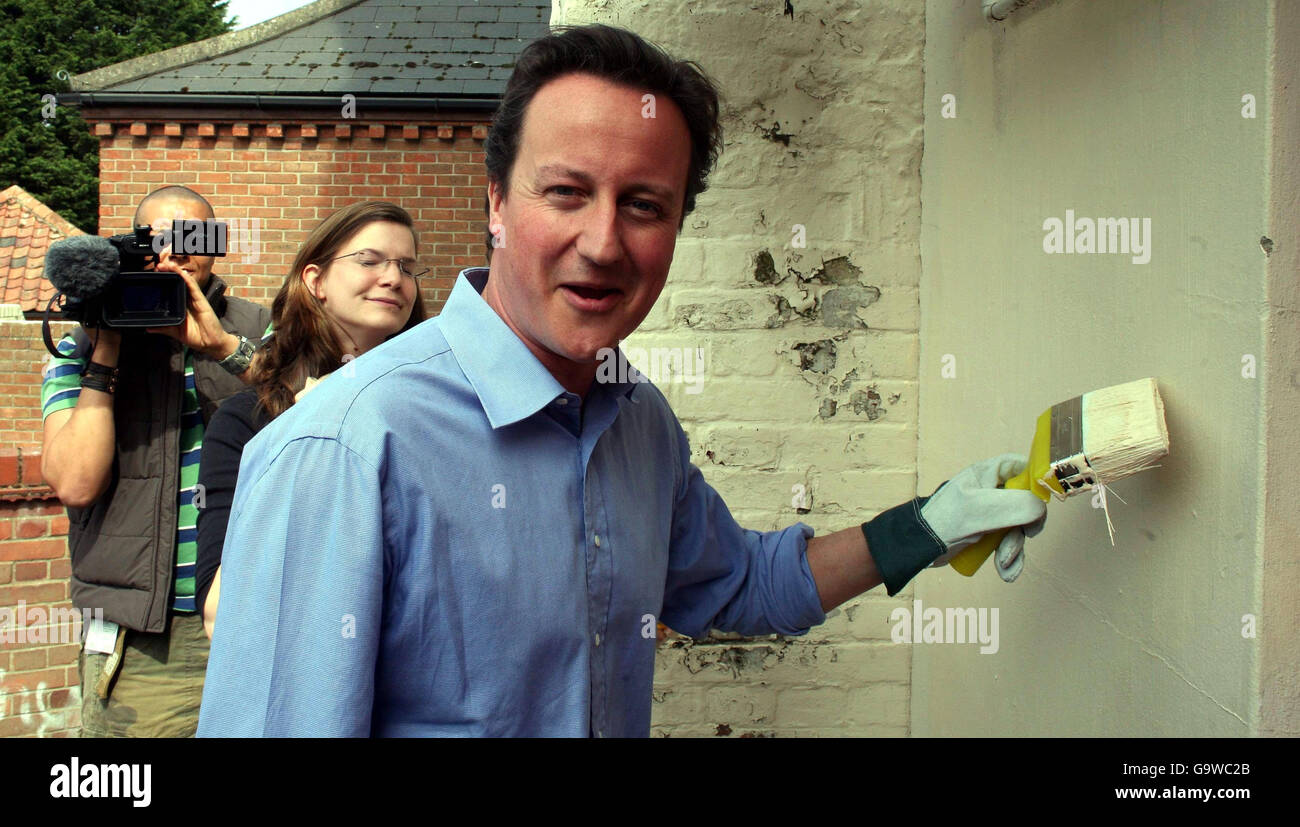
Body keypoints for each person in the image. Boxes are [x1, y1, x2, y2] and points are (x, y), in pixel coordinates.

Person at [197, 25, 1047, 738]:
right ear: (496, 201)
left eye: (645, 204)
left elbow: (742, 583)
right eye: (566, 191)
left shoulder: (637, 423)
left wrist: (926, 527)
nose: (604, 243)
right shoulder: (340, 445)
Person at [40, 185, 272, 737]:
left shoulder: (260, 325)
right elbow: (74, 482)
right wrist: (108, 346)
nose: (175, 253)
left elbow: (312, 409)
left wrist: (224, 350)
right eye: (157, 239)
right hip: (145, 635)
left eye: (193, 237)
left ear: (215, 247)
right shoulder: (86, 339)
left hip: (254, 613)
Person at [194, 202, 427, 638]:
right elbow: (220, 614)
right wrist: (305, 443)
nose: (394, 278)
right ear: (315, 280)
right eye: (369, 260)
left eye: (407, 267)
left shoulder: (434, 412)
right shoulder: (248, 421)